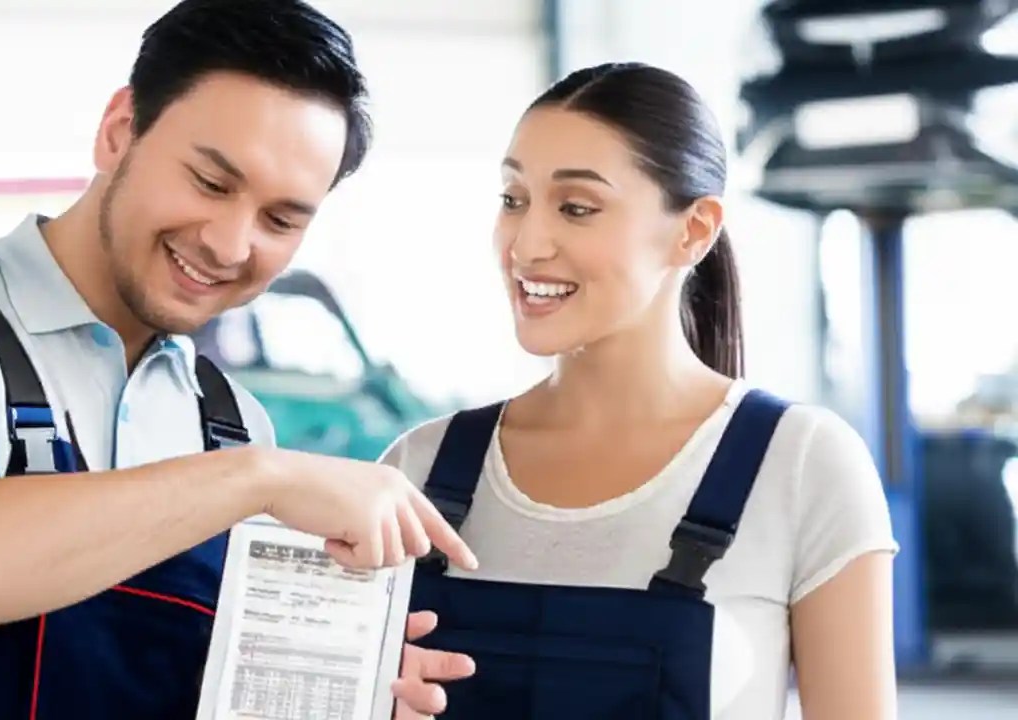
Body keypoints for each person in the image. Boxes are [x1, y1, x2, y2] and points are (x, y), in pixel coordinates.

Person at [0, 1, 477, 718]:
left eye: (280, 220)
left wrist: (333, 691)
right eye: (211, 183)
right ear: (118, 131)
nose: (230, 244)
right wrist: (260, 478)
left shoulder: (230, 424)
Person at [381, 63, 899, 719]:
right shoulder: (418, 471)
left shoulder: (801, 466)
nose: (526, 243)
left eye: (576, 208)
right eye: (514, 200)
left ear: (693, 230)